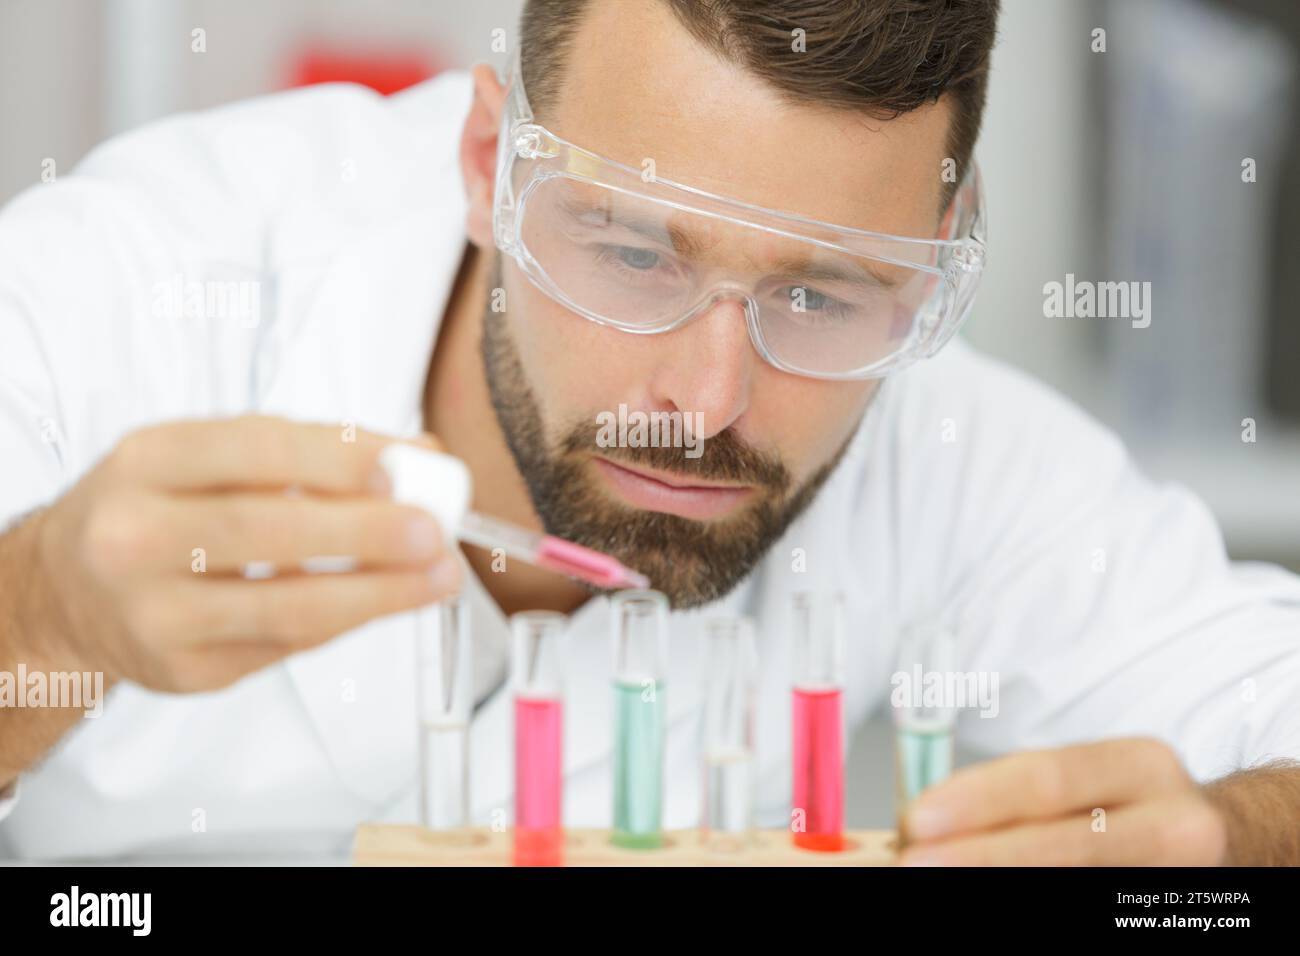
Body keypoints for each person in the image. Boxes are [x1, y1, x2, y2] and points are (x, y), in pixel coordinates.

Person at [1, 0, 1297, 865]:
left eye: (821, 291)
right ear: (486, 161)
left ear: (942, 258)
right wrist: (41, 619)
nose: (708, 401)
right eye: (630, 253)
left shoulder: (944, 450)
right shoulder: (114, 298)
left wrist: (1222, 846)